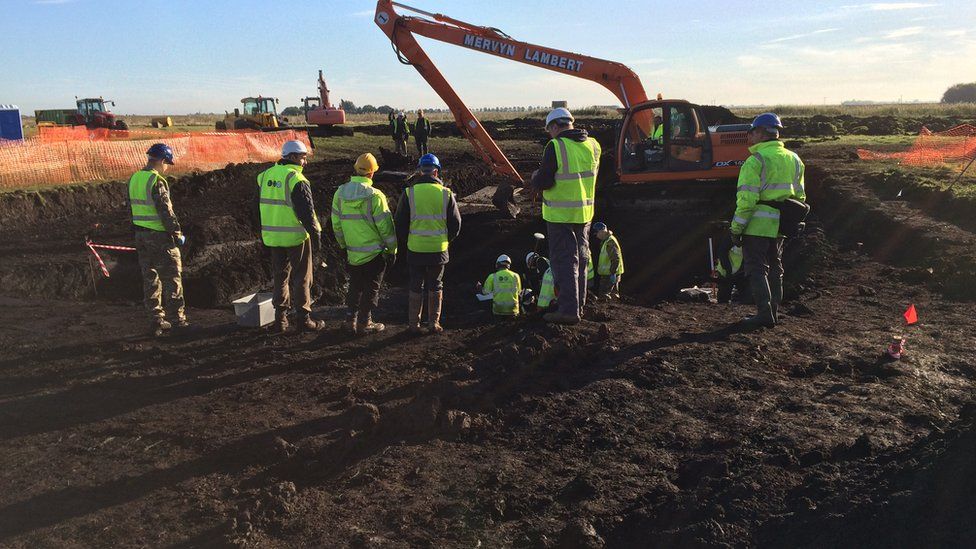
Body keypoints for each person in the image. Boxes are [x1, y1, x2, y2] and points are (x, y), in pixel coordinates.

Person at [730, 112, 806, 328]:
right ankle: (773, 313)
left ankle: (764, 314)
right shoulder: (794, 159)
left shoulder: (755, 161)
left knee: (756, 268)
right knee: (776, 268)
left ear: (762, 133)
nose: (749, 136)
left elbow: (746, 201)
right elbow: (800, 197)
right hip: (781, 225)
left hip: (757, 226)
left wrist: (736, 228)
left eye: (752, 132)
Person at [527, 107, 601, 325]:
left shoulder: (556, 146)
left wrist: (535, 177)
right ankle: (578, 305)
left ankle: (568, 310)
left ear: (554, 126)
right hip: (584, 214)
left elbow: (545, 181)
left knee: (564, 262)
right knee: (582, 260)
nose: (550, 134)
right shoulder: (593, 145)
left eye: (549, 129)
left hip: (560, 216)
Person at [257, 140, 326, 333]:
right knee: (302, 277)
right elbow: (307, 213)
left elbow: (256, 207)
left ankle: (280, 320)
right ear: (293, 157)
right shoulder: (296, 179)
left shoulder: (264, 176)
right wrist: (316, 237)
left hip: (273, 237)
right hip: (296, 237)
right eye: (303, 158)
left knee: (280, 277)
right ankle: (304, 319)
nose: (305, 162)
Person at [394, 153, 462, 334]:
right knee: (436, 285)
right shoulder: (446, 194)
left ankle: (413, 324)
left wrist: (408, 240)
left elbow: (399, 222)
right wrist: (446, 240)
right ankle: (434, 323)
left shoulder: (409, 193)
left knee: (415, 285)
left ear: (420, 171)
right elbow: (456, 223)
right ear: (436, 172)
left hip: (415, 248)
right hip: (438, 249)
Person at [331, 153, 397, 335]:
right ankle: (364, 322)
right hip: (374, 253)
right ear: (372, 173)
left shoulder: (340, 193)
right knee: (371, 288)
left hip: (353, 252)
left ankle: (350, 320)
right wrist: (392, 250)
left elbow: (336, 224)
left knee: (355, 286)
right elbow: (386, 227)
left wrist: (343, 245)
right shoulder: (375, 196)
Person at [129, 143, 187, 337]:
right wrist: (177, 234)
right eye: (167, 163)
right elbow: (166, 212)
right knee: (172, 279)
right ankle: (178, 322)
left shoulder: (134, 178)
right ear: (162, 160)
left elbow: (130, 208)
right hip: (160, 237)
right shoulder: (156, 181)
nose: (167, 167)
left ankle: (156, 321)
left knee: (150, 279)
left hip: (141, 236)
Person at [592, 222, 624, 298]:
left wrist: (613, 273)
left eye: (596, 233)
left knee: (606, 296)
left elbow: (615, 258)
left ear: (601, 231)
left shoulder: (610, 242)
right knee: (613, 296)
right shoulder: (606, 241)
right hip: (609, 274)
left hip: (609, 275)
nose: (596, 236)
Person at [713, 239, 747, 304]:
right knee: (723, 299)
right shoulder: (730, 239)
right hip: (726, 272)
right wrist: (728, 269)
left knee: (747, 299)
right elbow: (722, 252)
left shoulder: (749, 241)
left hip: (741, 272)